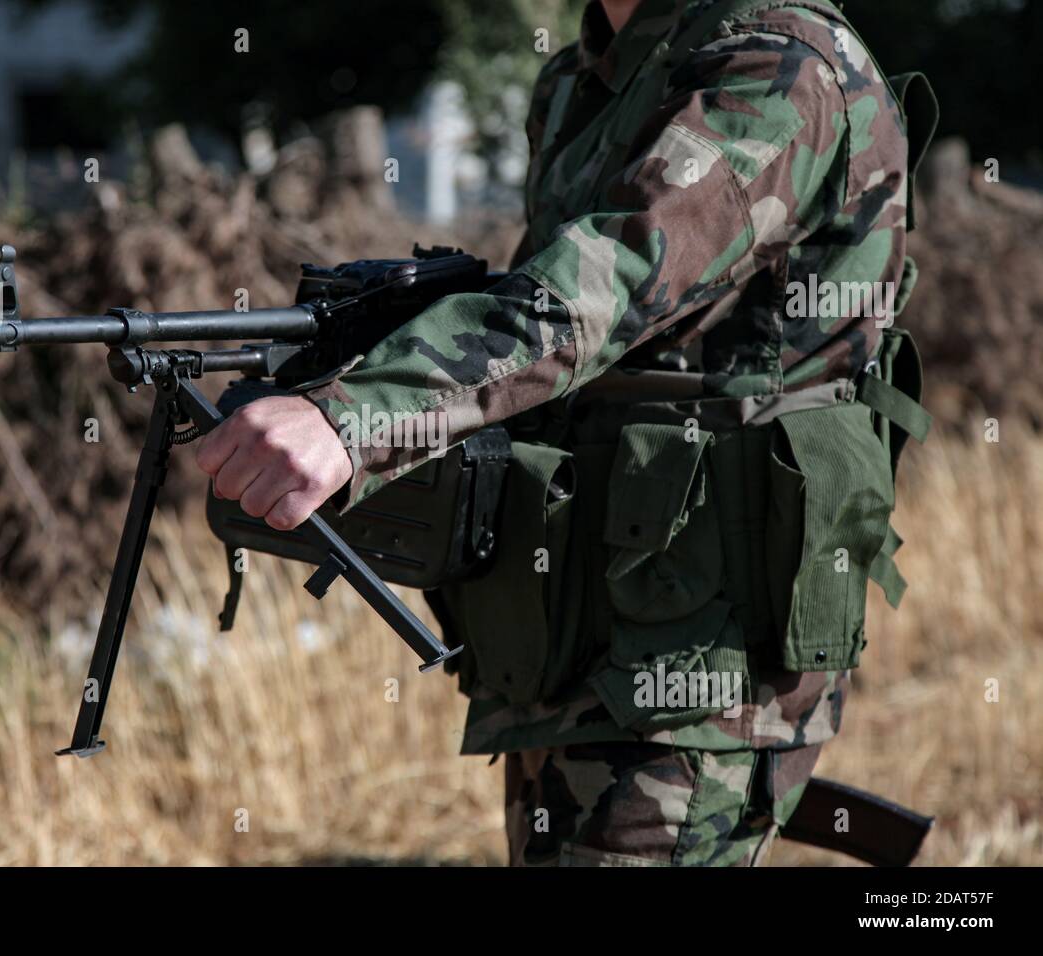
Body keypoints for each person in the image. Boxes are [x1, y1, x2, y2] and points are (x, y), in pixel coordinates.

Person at [195, 0, 933, 866]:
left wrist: (354, 416)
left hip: (701, 647)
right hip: (571, 626)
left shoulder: (779, 65)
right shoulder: (584, 76)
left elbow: (608, 283)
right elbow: (559, 328)